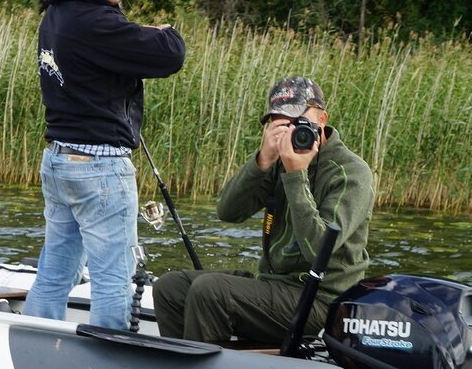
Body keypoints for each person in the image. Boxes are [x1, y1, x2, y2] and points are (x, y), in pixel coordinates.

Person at [22, 0, 186, 329]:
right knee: (113, 280)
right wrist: (164, 32)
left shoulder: (56, 14)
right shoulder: (94, 21)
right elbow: (170, 55)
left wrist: (137, 33)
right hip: (100, 168)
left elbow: (115, 46)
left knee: (55, 270)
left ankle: (33, 343)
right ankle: (106, 360)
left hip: (59, 161)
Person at [152, 77, 374, 344]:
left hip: (324, 301)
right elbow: (228, 212)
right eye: (281, 124)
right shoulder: (278, 161)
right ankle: (185, 363)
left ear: (322, 119)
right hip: (274, 285)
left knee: (211, 291)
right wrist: (262, 161)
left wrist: (296, 174)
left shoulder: (350, 173)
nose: (292, 131)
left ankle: (206, 367)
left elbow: (318, 250)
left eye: (298, 121)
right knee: (170, 288)